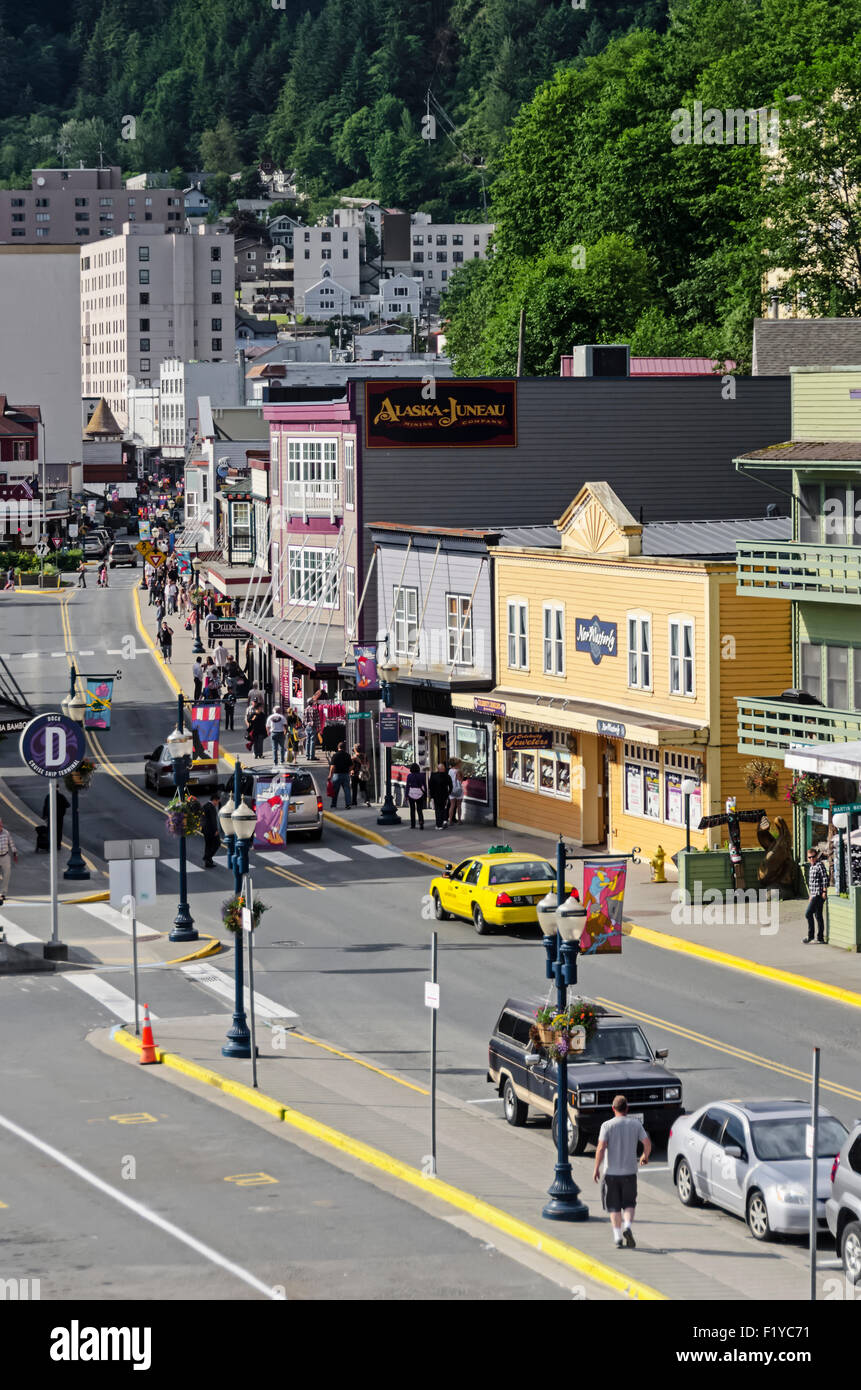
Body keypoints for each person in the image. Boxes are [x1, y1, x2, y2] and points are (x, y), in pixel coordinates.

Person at [593, 1095, 650, 1249]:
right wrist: (645, 1155)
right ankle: (628, 1227)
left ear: (613, 1108)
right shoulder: (635, 1124)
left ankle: (618, 1237)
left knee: (614, 1207)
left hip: (611, 1173)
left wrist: (596, 1168)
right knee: (629, 1204)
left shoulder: (607, 1126)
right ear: (627, 1108)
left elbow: (601, 1148)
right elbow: (647, 1142)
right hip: (630, 1173)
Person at [804, 847, 829, 944]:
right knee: (818, 916)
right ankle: (820, 938)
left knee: (808, 913)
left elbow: (825, 879)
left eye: (813, 857)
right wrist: (810, 895)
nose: (811, 859)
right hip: (813, 894)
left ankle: (811, 936)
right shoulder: (811, 867)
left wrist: (824, 892)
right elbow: (811, 883)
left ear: (816, 856)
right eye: (809, 857)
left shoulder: (819, 865)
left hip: (819, 894)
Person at [328, 741, 352, 808]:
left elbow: (332, 767)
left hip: (337, 775)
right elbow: (351, 765)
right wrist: (348, 771)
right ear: (344, 748)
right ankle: (348, 804)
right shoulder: (348, 755)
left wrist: (330, 775)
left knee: (335, 791)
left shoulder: (335, 755)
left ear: (338, 747)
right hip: (345, 774)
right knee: (347, 790)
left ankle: (333, 804)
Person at [429, 762, 452, 829]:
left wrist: (431, 795)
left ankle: (438, 824)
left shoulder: (433, 775)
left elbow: (430, 786)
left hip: (436, 795)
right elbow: (451, 786)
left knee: (437, 810)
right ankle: (441, 823)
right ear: (444, 769)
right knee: (442, 809)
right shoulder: (447, 776)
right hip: (444, 795)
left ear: (438, 769)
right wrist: (448, 793)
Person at [0, 817, 18, 905]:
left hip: (5, 856)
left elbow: (11, 843)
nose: (0, 826)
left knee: (7, 874)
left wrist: (14, 853)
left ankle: (3, 893)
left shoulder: (6, 833)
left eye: (0, 824)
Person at [405, 761, 427, 829]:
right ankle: (421, 821)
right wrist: (425, 793)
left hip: (411, 793)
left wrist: (406, 795)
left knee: (412, 810)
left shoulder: (409, 776)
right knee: (419, 809)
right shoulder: (422, 775)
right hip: (419, 793)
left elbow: (407, 786)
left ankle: (413, 824)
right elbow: (424, 785)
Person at [201, 792, 221, 868]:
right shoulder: (212, 807)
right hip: (211, 830)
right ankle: (207, 857)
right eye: (217, 802)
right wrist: (215, 830)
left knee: (208, 845)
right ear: (214, 800)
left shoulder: (205, 805)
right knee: (217, 844)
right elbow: (213, 820)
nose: (217, 804)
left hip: (205, 829)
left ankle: (208, 862)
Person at [447, 757, 465, 825]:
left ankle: (450, 820)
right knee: (459, 805)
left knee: (452, 805)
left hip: (451, 789)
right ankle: (459, 820)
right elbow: (460, 780)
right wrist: (463, 775)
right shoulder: (458, 771)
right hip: (458, 789)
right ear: (457, 764)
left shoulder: (450, 771)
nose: (461, 765)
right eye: (460, 763)